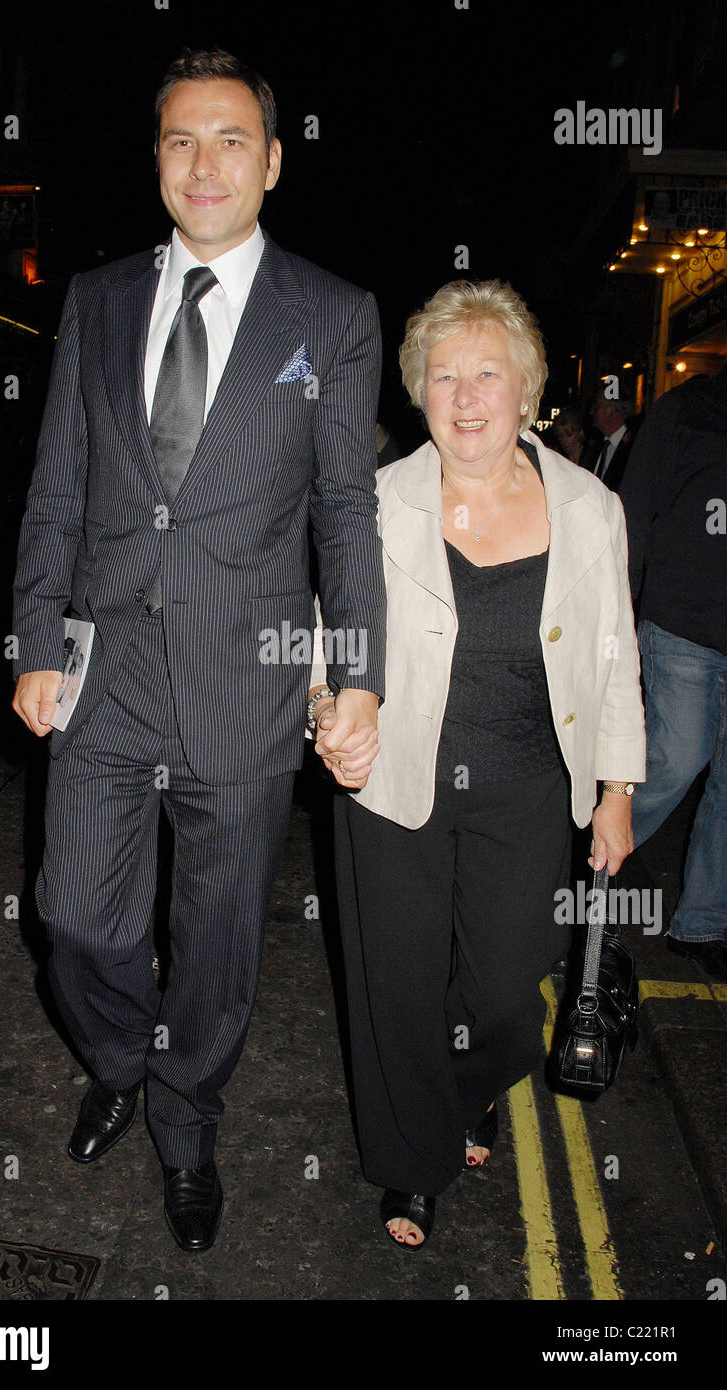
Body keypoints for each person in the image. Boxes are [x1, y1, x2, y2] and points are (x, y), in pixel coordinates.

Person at [11, 47, 386, 1254]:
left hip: (248, 680)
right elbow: (57, 489)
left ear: (272, 162)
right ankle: (123, 1056)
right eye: (181, 139)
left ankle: (184, 1120)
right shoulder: (100, 295)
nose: (204, 162)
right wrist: (33, 637)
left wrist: (359, 674)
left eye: (231, 139)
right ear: (157, 161)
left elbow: (345, 515)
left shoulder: (330, 316)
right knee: (76, 917)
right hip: (103, 669)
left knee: (218, 947)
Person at [309, 280, 646, 1249]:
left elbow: (616, 652)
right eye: (443, 374)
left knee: (504, 994)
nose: (465, 396)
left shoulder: (590, 509)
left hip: (528, 786)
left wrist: (616, 790)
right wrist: (329, 711)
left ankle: (459, 1086)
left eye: (485, 372)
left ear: (526, 386)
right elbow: (329, 641)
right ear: (418, 390)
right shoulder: (375, 501)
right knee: (397, 985)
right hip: (394, 780)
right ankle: (412, 1160)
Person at [619, 366, 727, 981]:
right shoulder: (689, 405)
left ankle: (702, 924)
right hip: (682, 622)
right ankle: (578, 871)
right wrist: (620, 618)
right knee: (672, 761)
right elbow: (634, 511)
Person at [584, 386, 637, 492]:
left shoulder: (633, 449)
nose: (591, 412)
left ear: (612, 410)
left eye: (597, 406)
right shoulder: (595, 448)